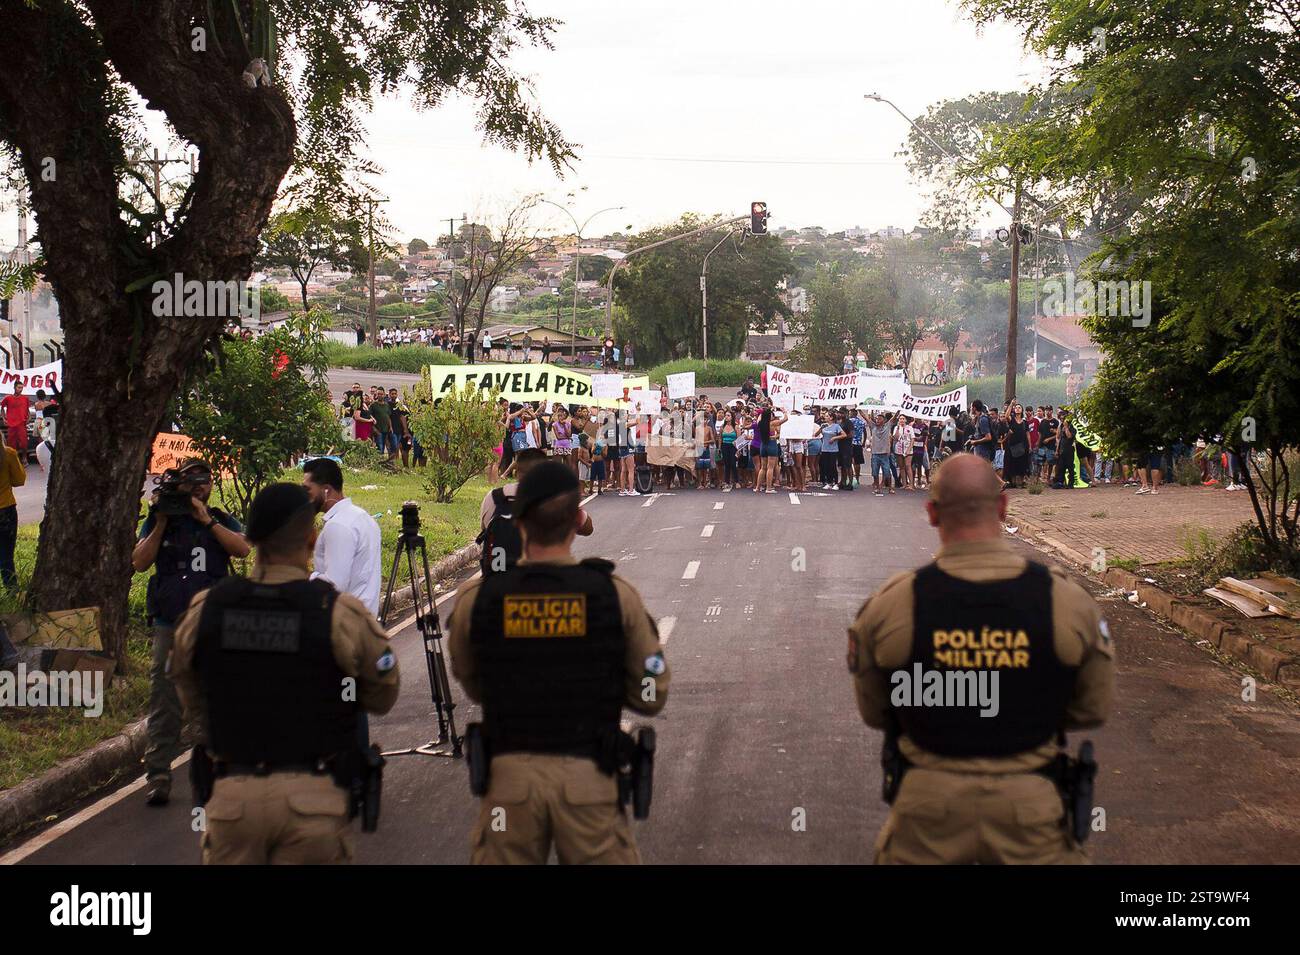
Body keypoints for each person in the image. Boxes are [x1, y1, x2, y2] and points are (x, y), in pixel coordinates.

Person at [847, 454, 1114, 864]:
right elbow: (1091, 710)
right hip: (1031, 814)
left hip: (926, 817)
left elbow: (877, 712)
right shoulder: (1065, 601)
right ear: (1004, 507)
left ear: (932, 513)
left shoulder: (894, 604)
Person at [449, 461, 670, 864]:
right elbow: (652, 696)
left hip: (509, 783)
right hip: (589, 781)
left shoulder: (476, 599)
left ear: (518, 522)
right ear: (576, 520)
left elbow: (473, 684)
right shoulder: (612, 595)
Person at [171, 482, 400, 865]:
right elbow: (383, 694)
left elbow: (187, 690)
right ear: (312, 539)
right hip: (313, 804)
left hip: (232, 804)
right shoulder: (339, 613)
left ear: (252, 538)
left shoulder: (207, 609)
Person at [132, 458, 249, 806]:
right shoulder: (160, 519)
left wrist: (207, 521)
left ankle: (220, 766)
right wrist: (162, 522)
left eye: (204, 480)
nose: (199, 487)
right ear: (179, 484)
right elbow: (139, 562)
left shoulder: (219, 518)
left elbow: (242, 548)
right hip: (170, 622)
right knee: (164, 699)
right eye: (191, 481)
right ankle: (158, 776)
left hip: (212, 623)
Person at [480, 449, 591, 574]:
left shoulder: (494, 498)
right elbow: (588, 528)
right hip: (546, 580)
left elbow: (485, 531)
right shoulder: (556, 497)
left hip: (500, 582)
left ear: (517, 473)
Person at [301, 458, 382, 617]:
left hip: (344, 625)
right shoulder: (362, 517)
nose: (305, 497)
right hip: (363, 620)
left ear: (326, 490)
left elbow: (334, 585)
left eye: (308, 490)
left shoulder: (338, 525)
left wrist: (303, 577)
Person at [0, 430, 25, 589]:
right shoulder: (8, 454)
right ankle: (12, 590)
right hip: (6, 510)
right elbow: (19, 480)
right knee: (6, 555)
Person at [0, 382, 29, 455]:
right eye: (19, 387)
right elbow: (2, 408)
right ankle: (14, 459)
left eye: (22, 388)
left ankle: (24, 458)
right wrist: (4, 418)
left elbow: (27, 409)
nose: (21, 389)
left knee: (24, 443)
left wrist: (29, 417)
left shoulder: (25, 398)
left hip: (22, 424)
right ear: (14, 387)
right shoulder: (8, 398)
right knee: (12, 444)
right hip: (11, 425)